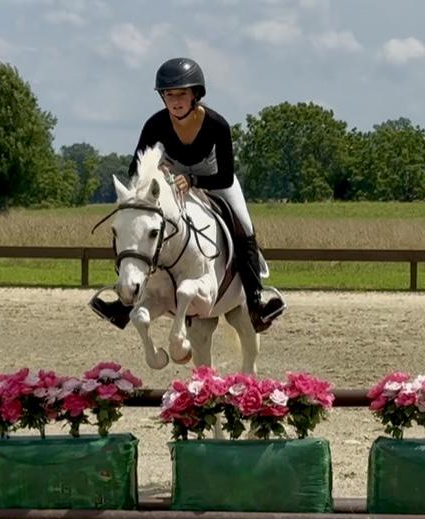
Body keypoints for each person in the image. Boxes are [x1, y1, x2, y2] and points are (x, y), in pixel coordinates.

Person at [92, 57, 285, 333]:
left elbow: (226, 175)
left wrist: (193, 179)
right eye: (169, 95)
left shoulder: (217, 125)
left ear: (195, 95)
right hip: (173, 182)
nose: (175, 100)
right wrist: (158, 168)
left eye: (182, 93)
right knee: (138, 225)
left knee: (244, 227)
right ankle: (124, 304)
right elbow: (134, 167)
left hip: (214, 181)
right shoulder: (155, 124)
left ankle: (256, 302)